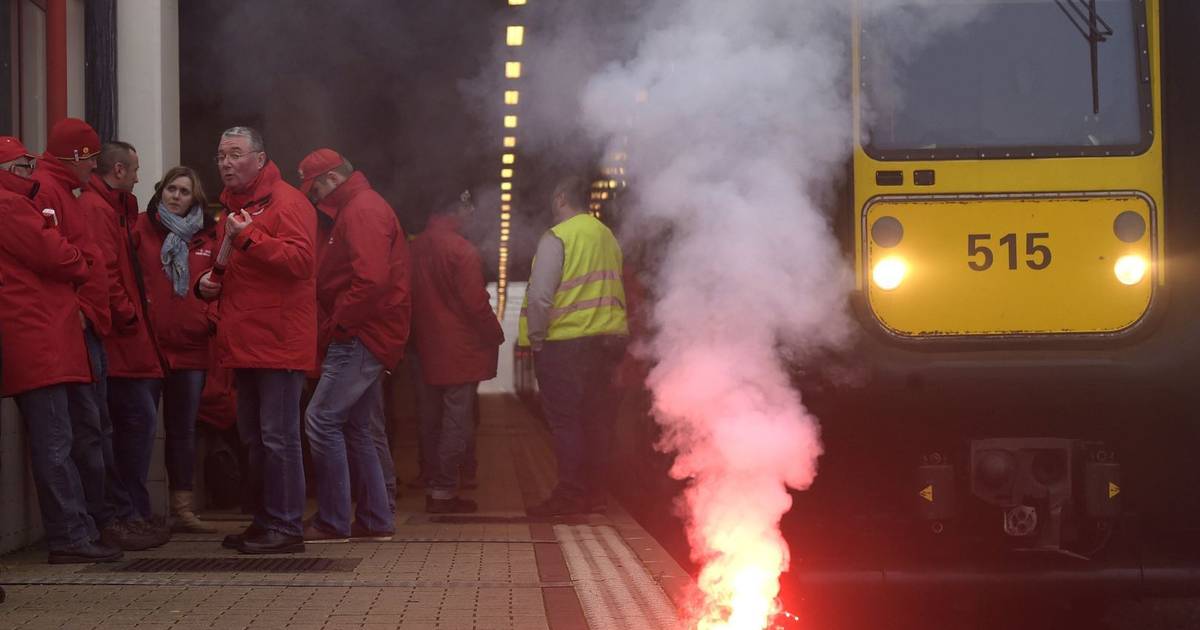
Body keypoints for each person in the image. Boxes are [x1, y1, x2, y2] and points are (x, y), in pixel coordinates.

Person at [31, 120, 159, 550]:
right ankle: (99, 522)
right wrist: (97, 312)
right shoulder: (62, 195)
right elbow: (81, 262)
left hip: (87, 325)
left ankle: (99, 521)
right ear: (80, 158)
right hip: (81, 329)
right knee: (88, 429)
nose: (95, 169)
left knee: (95, 427)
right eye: (90, 161)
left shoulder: (72, 195)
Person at [0, 135, 121, 563]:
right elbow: (60, 256)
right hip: (40, 340)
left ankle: (76, 531)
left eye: (29, 164)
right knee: (57, 443)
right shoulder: (10, 205)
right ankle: (69, 536)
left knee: (63, 439)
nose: (29, 173)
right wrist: (78, 259)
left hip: (44, 338)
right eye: (20, 166)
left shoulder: (23, 202)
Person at [196, 126, 317, 554]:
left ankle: (285, 527)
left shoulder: (288, 202)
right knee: (254, 437)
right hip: (246, 340)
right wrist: (207, 285)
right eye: (220, 155)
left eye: (235, 154)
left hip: (278, 341)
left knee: (278, 438)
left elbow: (301, 262)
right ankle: (267, 519)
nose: (226, 163)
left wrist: (249, 237)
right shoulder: (236, 209)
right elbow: (227, 266)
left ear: (260, 159)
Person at [298, 148, 409, 542]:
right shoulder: (362, 206)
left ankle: (333, 520)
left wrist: (338, 321)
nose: (313, 198)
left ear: (330, 179)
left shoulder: (360, 210)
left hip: (361, 332)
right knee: (359, 427)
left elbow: (371, 281)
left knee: (321, 420)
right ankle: (376, 518)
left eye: (314, 189)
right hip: (370, 331)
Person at [519, 176, 629, 517]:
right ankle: (596, 496)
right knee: (598, 421)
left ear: (561, 197)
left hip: (565, 344)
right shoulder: (607, 236)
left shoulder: (558, 237)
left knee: (566, 422)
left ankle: (569, 496)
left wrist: (536, 339)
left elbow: (540, 296)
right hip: (607, 343)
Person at [80, 142, 171, 546]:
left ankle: (133, 511)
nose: (139, 175)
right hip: (121, 342)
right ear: (117, 169)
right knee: (131, 427)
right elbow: (106, 269)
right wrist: (127, 313)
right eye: (135, 168)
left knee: (134, 427)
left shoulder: (116, 209)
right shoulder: (99, 210)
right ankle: (125, 513)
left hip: (128, 342)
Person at [133, 166, 220, 533]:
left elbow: (225, 283)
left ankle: (183, 509)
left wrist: (209, 317)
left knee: (183, 430)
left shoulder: (208, 237)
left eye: (185, 191)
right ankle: (135, 512)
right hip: (149, 346)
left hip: (192, 348)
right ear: (160, 191)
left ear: (194, 198)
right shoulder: (140, 229)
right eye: (171, 189)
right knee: (139, 428)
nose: (176, 196)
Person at [410, 190, 504, 514]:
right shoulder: (461, 250)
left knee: (430, 420)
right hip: (459, 349)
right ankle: (444, 490)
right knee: (456, 420)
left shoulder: (414, 248)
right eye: (470, 211)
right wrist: (496, 334)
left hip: (424, 346)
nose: (473, 218)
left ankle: (432, 480)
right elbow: (475, 304)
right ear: (458, 211)